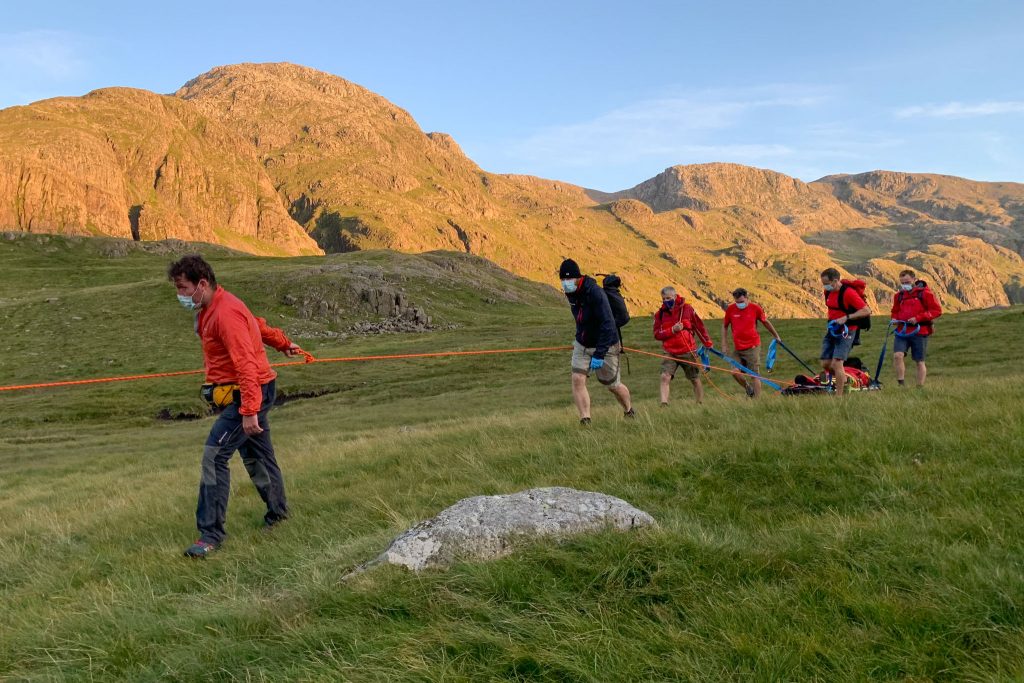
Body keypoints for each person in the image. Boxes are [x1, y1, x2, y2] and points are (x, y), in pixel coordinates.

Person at [168, 255, 305, 558]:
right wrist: (283, 343)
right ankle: (278, 515)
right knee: (257, 456)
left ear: (201, 284)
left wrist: (249, 410)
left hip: (247, 393)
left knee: (214, 457)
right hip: (248, 391)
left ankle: (210, 536)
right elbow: (255, 325)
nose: (180, 294)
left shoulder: (225, 313)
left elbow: (245, 363)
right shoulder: (214, 305)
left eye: (182, 287)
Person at [559, 259, 634, 425]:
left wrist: (599, 354)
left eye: (568, 279)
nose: (565, 283)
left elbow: (608, 324)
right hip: (582, 344)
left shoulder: (595, 293)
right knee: (578, 378)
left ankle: (629, 410)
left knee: (612, 385)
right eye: (562, 280)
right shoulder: (571, 293)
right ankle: (585, 419)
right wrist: (580, 338)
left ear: (578, 278)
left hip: (605, 344)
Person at [654, 286, 713, 405]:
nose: (666, 301)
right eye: (664, 299)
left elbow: (698, 326)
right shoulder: (659, 314)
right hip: (669, 352)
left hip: (688, 351)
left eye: (669, 298)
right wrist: (672, 330)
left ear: (675, 297)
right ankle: (664, 404)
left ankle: (699, 403)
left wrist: (707, 343)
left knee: (694, 379)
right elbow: (657, 334)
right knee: (665, 377)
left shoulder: (687, 309)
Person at [721, 287, 781, 398]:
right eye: (737, 302)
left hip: (752, 347)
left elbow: (765, 322)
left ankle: (757, 401)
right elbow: (724, 327)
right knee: (735, 372)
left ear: (747, 299)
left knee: (754, 375)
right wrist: (724, 345)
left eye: (741, 302)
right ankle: (748, 388)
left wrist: (776, 336)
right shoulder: (730, 309)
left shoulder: (755, 308)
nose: (739, 304)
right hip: (738, 348)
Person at [820, 268, 871, 396]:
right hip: (833, 329)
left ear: (835, 281)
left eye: (826, 282)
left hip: (847, 331)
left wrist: (846, 318)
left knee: (837, 363)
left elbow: (866, 311)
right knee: (826, 363)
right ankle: (846, 379)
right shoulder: (828, 292)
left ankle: (839, 396)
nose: (824, 286)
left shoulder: (849, 293)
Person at [890, 269, 942, 387]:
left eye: (907, 282)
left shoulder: (925, 294)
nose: (905, 285)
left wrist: (918, 318)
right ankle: (901, 384)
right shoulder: (898, 296)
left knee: (919, 361)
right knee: (897, 355)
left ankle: (919, 387)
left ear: (914, 280)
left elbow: (936, 311)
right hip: (902, 331)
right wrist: (894, 319)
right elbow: (895, 311)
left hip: (920, 331)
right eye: (903, 283)